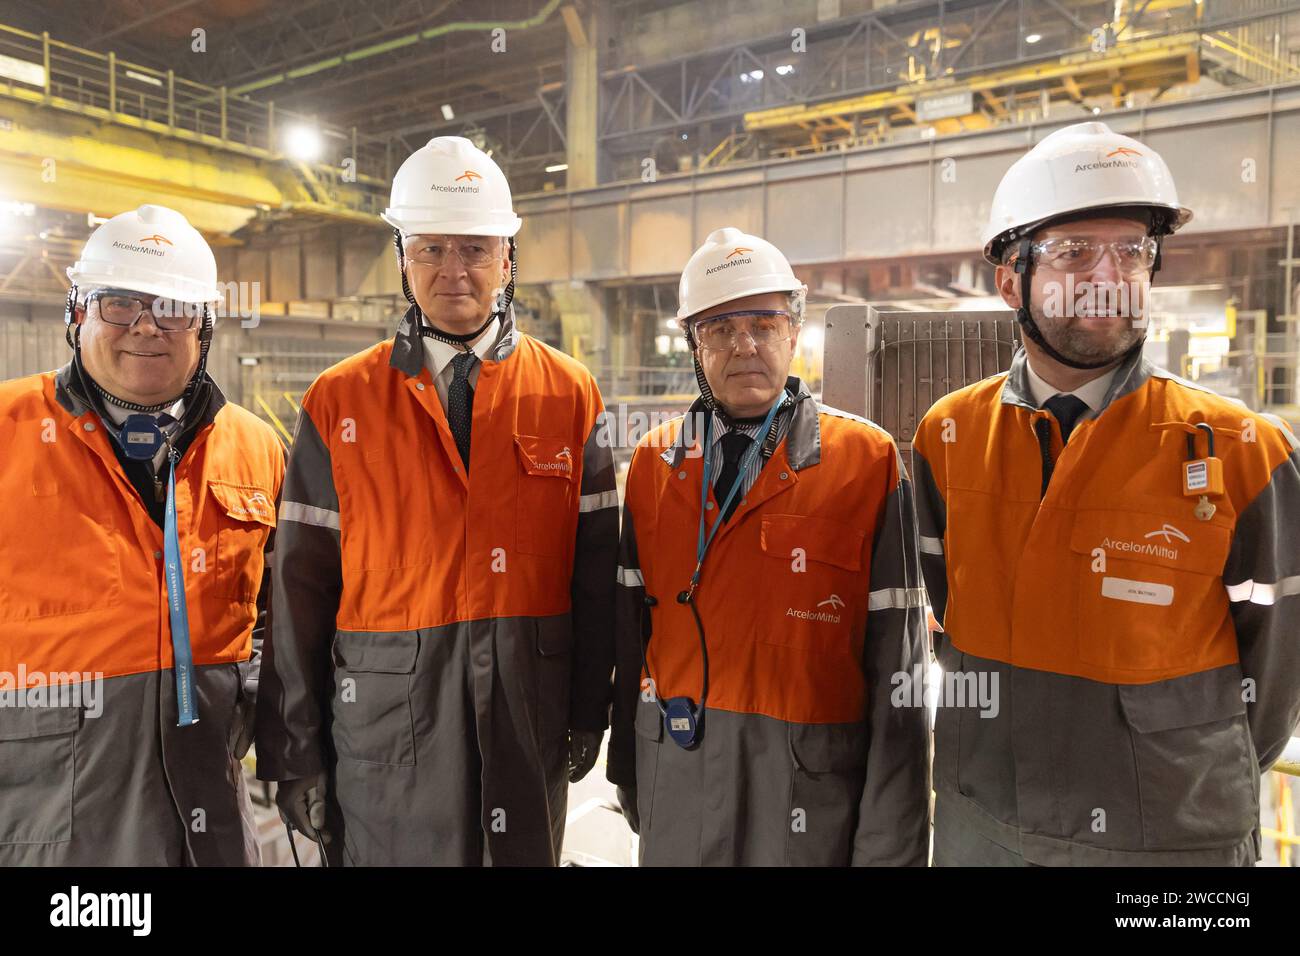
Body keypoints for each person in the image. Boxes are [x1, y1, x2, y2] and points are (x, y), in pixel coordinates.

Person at [913, 121, 1300, 865]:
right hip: (981, 828)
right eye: (1073, 252)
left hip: (1169, 847)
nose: (1109, 275)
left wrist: (1177, 769)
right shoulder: (948, 435)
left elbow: (1275, 674)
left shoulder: (1244, 451)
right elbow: (945, 613)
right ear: (1009, 279)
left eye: (1132, 251)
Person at [256, 136, 618, 865]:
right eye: (431, 249)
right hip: (387, 736)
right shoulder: (339, 400)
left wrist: (588, 707)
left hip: (527, 718)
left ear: (508, 261)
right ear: (403, 259)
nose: (455, 270)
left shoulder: (569, 393)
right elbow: (299, 589)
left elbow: (598, 571)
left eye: (476, 249)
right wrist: (294, 748)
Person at [606, 226, 931, 865]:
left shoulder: (865, 463)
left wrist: (891, 838)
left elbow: (901, 667)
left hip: (808, 801)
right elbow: (629, 637)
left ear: (794, 330)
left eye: (764, 323)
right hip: (680, 781)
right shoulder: (653, 464)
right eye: (720, 330)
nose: (745, 346)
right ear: (694, 347)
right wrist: (630, 769)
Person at [0, 203, 283, 864]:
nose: (149, 327)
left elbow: (280, 610)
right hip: (45, 826)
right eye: (120, 303)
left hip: (207, 816)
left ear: (205, 325)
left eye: (175, 307)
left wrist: (242, 699)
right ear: (78, 313)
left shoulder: (255, 446)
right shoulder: (9, 430)